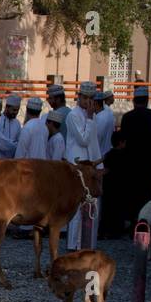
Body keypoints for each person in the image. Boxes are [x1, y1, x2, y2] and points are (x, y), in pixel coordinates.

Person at [65, 82, 102, 250]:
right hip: (77, 166)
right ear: (79, 97)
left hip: (90, 166)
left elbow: (93, 143)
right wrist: (88, 117)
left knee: (92, 205)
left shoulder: (91, 116)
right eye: (85, 98)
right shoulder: (73, 116)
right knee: (78, 206)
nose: (88, 102)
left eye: (91, 99)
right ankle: (73, 245)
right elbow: (83, 140)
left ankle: (87, 245)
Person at [120, 84, 151, 216]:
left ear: (134, 100)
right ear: (146, 100)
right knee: (146, 196)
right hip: (148, 162)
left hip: (131, 162)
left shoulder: (127, 117)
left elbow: (123, 140)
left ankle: (133, 223)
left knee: (131, 195)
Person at [0, 95, 21, 160]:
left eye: (17, 110)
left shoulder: (17, 123)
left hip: (10, 161)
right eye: (14, 110)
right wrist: (16, 145)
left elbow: (19, 140)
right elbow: (0, 142)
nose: (16, 112)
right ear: (7, 107)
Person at [94, 90, 115, 158]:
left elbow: (97, 139)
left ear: (96, 103)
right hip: (106, 153)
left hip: (100, 155)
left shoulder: (99, 118)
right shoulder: (109, 114)